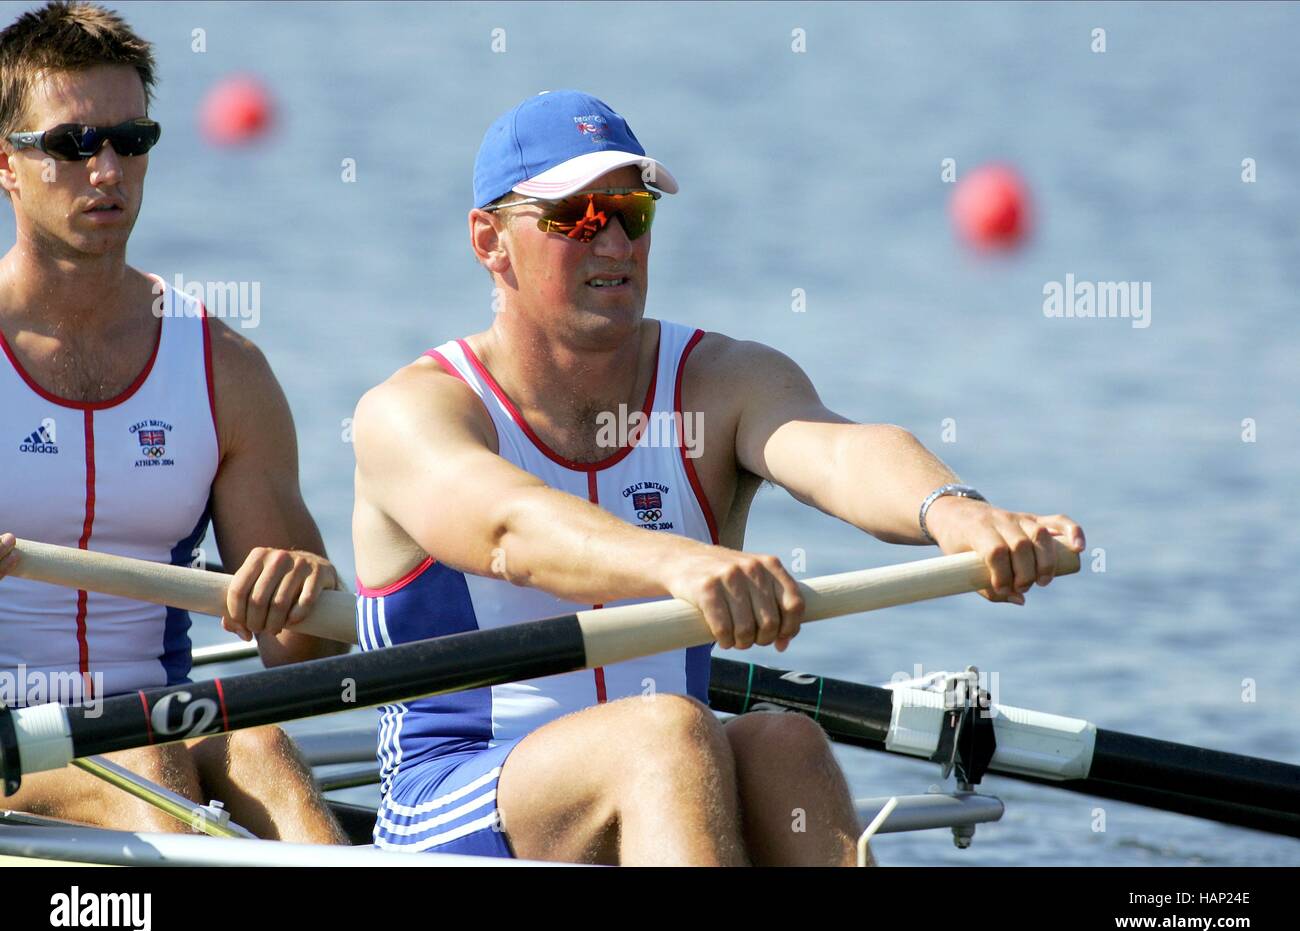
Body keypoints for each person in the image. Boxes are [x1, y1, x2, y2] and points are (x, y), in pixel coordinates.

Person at [351, 89, 1085, 865]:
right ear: (490, 242)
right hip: (452, 804)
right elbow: (509, 531)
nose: (615, 243)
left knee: (783, 744)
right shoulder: (412, 412)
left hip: (665, 777)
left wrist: (954, 512)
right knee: (665, 731)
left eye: (632, 210)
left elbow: (838, 451)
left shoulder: (720, 381)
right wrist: (682, 563)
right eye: (577, 215)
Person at [0, 1, 346, 843]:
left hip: (164, 717)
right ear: (7, 165)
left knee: (262, 746)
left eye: (132, 140)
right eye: (73, 146)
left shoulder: (224, 367)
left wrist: (299, 594)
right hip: (13, 739)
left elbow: (309, 657)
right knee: (152, 770)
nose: (108, 170)